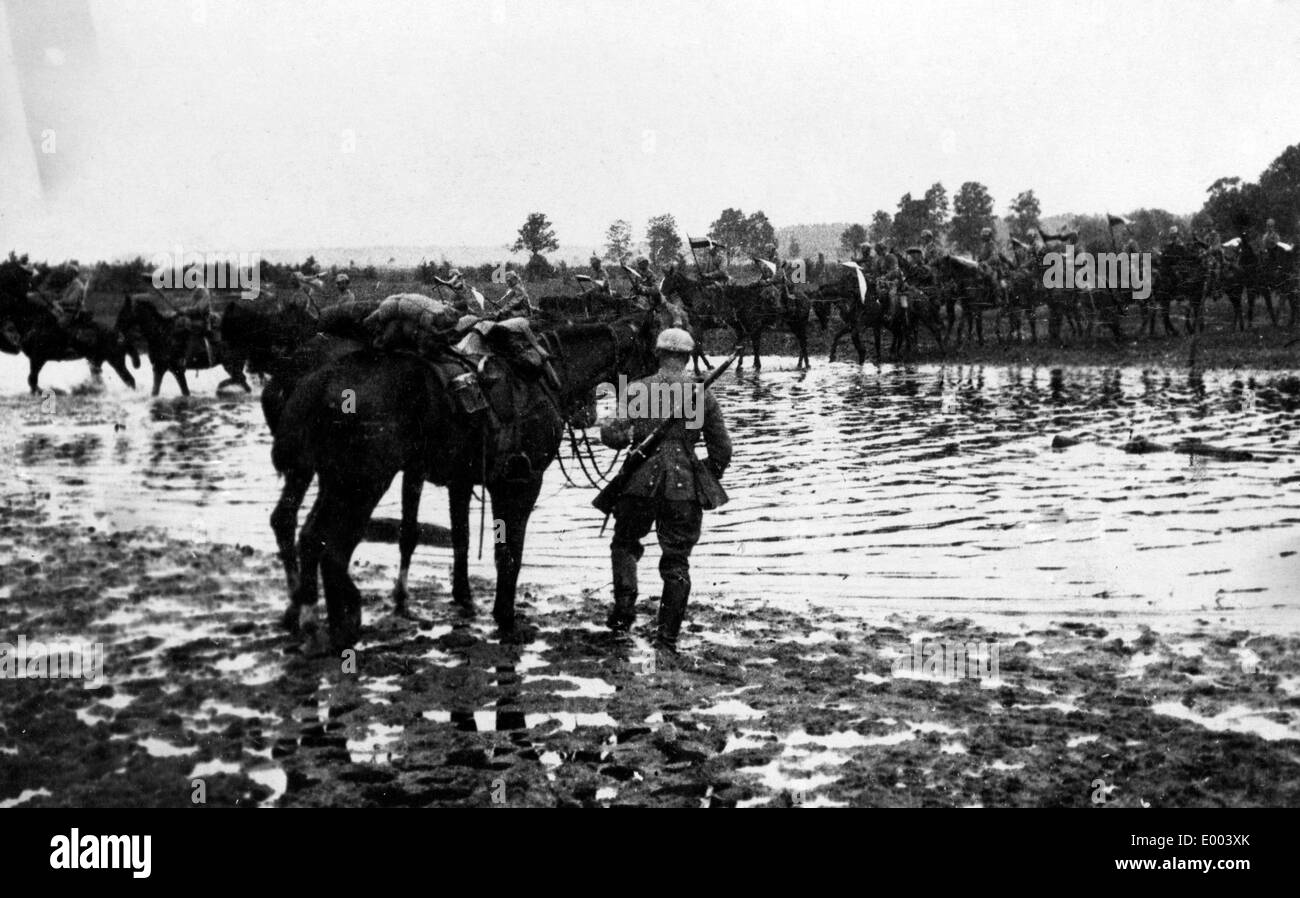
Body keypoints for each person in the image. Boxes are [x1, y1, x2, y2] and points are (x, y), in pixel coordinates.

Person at [598, 327, 731, 655]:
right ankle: (666, 640)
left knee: (625, 543)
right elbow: (722, 449)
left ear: (657, 354)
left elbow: (611, 435)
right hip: (683, 488)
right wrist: (702, 475)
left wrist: (625, 437)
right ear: (687, 357)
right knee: (676, 562)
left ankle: (624, 612)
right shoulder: (702, 395)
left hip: (638, 483)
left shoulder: (637, 390)